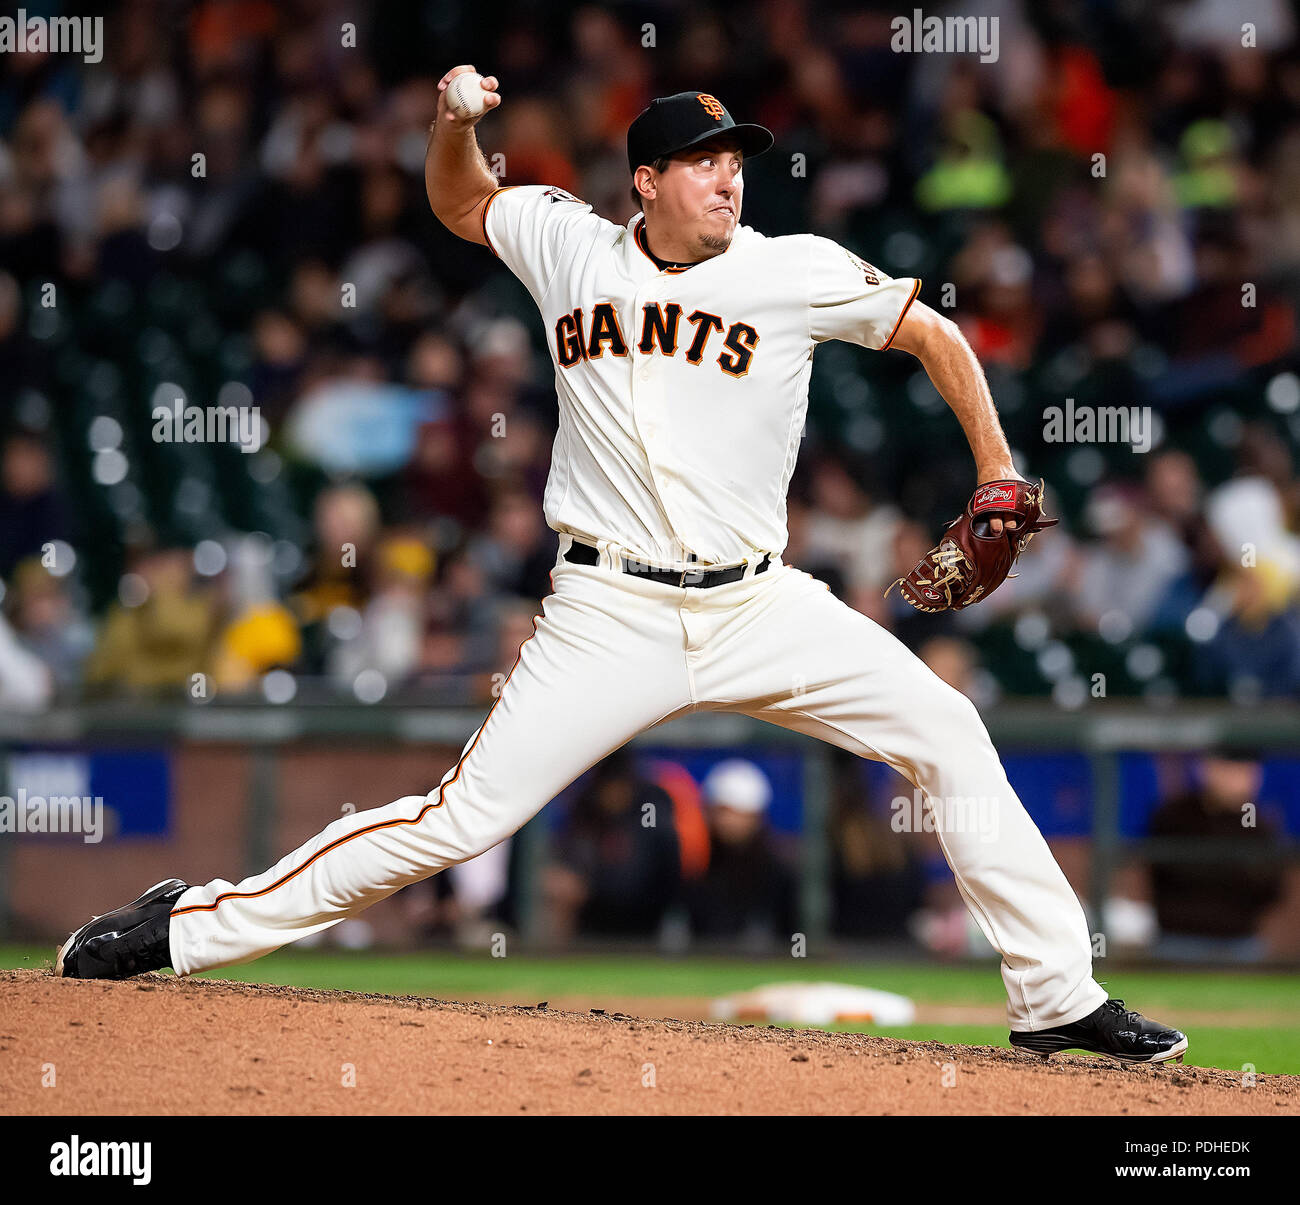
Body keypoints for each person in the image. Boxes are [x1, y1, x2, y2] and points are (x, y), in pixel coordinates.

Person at [58, 72, 1186, 1065]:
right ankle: (188, 924)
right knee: (458, 821)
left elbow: (933, 332)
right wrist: (452, 122)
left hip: (758, 600)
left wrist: (994, 468)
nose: (728, 181)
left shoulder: (791, 270)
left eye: (736, 161)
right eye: (702, 164)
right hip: (608, 607)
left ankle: (1055, 997)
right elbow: (456, 199)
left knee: (947, 731)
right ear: (644, 179)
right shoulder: (565, 239)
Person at [1147, 751, 1285, 962]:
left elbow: (1271, 889)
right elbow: (1172, 877)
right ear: (1207, 770)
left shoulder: (1260, 824)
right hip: (1180, 940)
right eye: (1230, 770)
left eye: (1247, 772)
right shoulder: (1175, 815)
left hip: (1241, 941)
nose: (1240, 779)